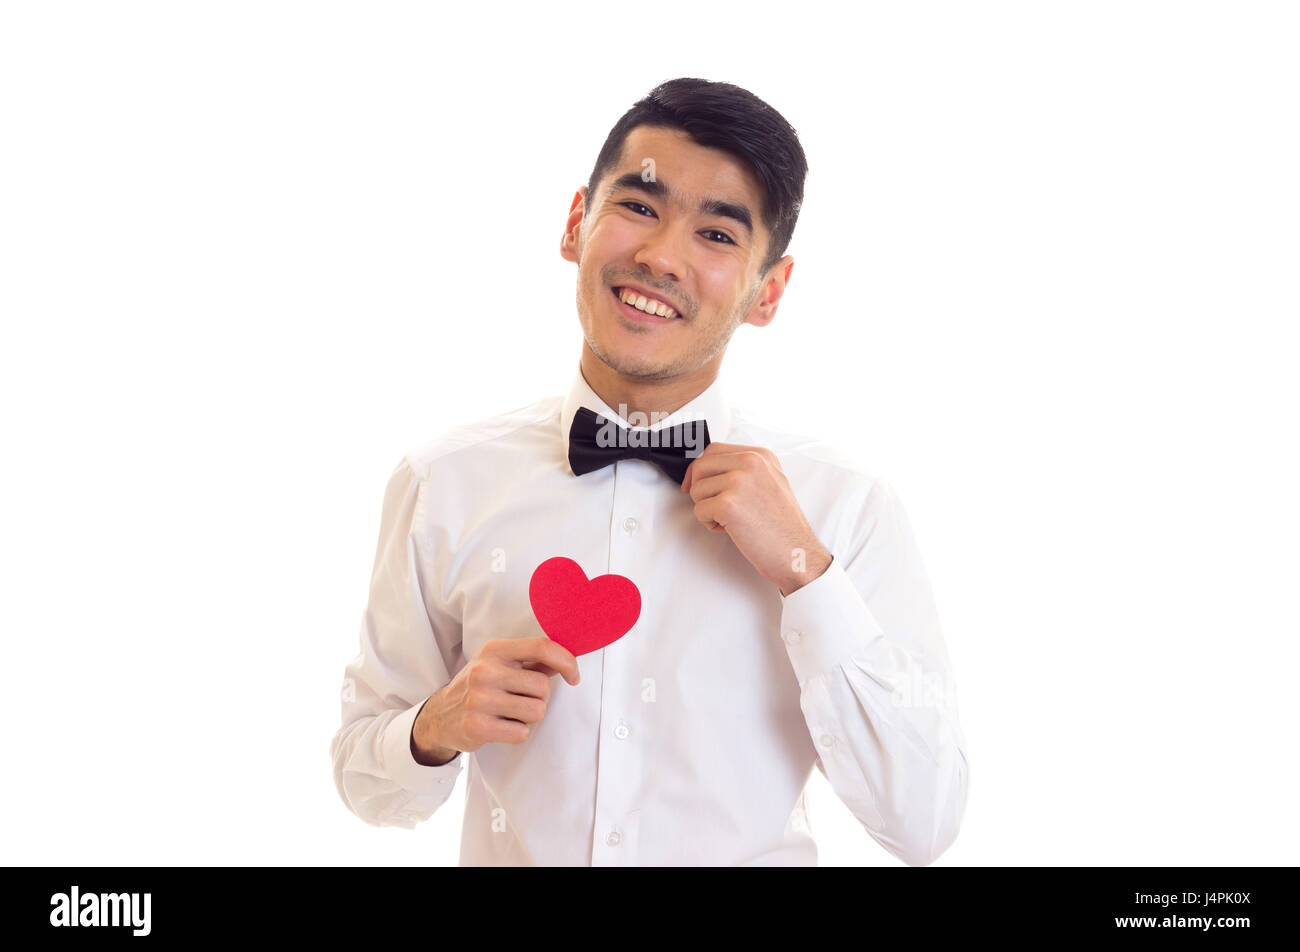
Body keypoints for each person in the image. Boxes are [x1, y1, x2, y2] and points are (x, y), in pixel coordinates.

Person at [329, 77, 969, 866]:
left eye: (718, 235)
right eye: (639, 207)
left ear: (768, 291)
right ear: (576, 223)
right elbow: (367, 785)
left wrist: (807, 573)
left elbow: (925, 819)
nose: (661, 256)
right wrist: (434, 727)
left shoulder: (847, 507)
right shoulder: (442, 484)